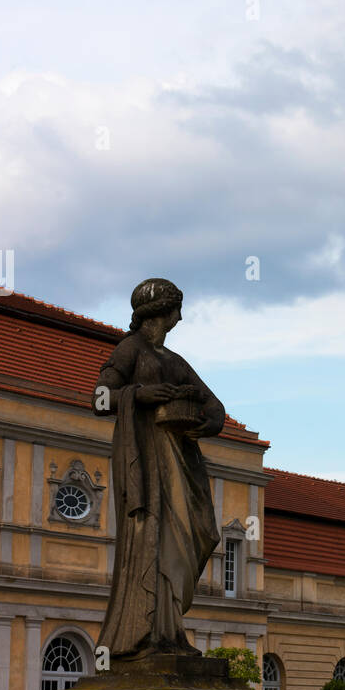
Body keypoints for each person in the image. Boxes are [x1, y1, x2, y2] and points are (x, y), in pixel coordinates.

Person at [92, 278, 226, 659]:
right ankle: (146, 633)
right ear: (159, 312)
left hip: (178, 461)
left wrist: (211, 418)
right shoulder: (129, 350)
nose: (180, 318)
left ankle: (170, 632)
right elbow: (100, 398)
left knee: (188, 532)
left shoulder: (174, 361)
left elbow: (213, 402)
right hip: (145, 463)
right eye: (175, 310)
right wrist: (140, 395)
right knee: (151, 535)